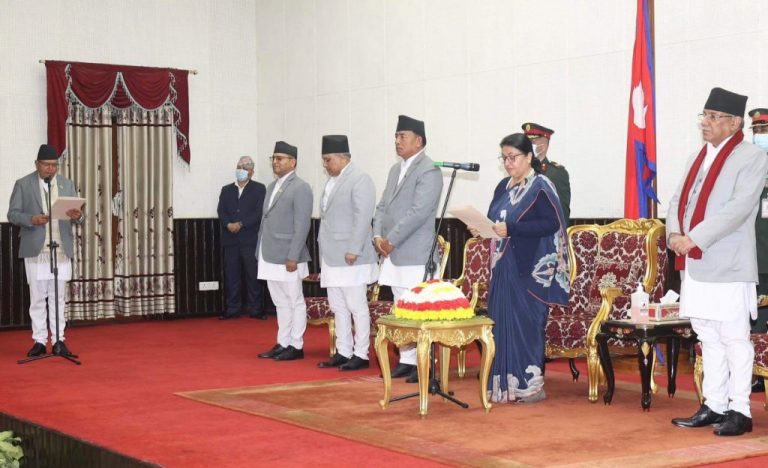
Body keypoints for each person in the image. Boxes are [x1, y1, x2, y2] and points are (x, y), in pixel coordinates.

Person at [668, 88, 767, 436]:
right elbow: (677, 200)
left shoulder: (752, 158)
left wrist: (693, 238)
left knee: (734, 337)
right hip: (694, 263)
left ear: (734, 122)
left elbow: (738, 210)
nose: (705, 123)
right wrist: (674, 236)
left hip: (728, 264)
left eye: (712, 116)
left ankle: (740, 410)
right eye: (704, 115)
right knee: (707, 335)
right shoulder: (698, 156)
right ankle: (714, 404)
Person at [468, 133, 569, 403]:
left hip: (531, 268)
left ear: (528, 157)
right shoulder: (503, 187)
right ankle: (504, 386)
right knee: (501, 325)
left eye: (513, 157)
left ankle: (530, 387)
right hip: (503, 266)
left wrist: (512, 229)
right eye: (504, 158)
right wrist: (482, 228)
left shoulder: (541, 186)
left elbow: (550, 224)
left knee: (526, 325)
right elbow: (494, 221)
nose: (508, 163)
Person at [373, 115, 443, 383]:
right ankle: (407, 360)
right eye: (396, 136)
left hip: (414, 251)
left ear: (419, 140)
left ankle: (425, 362)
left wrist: (392, 239)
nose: (397, 141)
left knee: (418, 308)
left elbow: (419, 212)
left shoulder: (429, 170)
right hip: (392, 251)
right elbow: (382, 207)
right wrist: (377, 236)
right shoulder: (395, 169)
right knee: (400, 306)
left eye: (402, 136)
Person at [7, 144, 84, 357]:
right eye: (46, 165)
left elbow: (79, 215)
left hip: (60, 248)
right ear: (37, 164)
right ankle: (40, 341)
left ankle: (59, 340)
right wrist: (31, 219)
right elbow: (12, 214)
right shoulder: (23, 184)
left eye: (54, 165)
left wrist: (79, 217)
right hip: (36, 249)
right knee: (38, 297)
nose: (51, 169)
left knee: (58, 297)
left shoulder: (67, 185)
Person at [316, 135, 378, 371]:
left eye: (328, 159)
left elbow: (363, 217)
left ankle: (361, 354)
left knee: (356, 305)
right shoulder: (332, 180)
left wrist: (354, 248)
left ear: (342, 158)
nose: (325, 164)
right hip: (332, 255)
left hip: (352, 255)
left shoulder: (360, 179)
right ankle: (343, 351)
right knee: (338, 306)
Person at [256, 141, 313, 361]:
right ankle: (283, 341)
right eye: (273, 158)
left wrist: (293, 256)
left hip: (289, 255)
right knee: (279, 301)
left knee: (294, 300)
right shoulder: (271, 186)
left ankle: (296, 345)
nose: (275, 162)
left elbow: (302, 225)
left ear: (293, 162)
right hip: (269, 252)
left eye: (280, 158)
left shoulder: (300, 187)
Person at [217, 156, 267, 320]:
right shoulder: (226, 190)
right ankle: (232, 309)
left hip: (250, 240)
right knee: (232, 276)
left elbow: (259, 212)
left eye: (245, 167)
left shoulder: (259, 189)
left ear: (252, 171)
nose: (241, 169)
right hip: (230, 240)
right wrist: (228, 224)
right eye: (239, 166)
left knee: (253, 276)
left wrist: (241, 224)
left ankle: (256, 309)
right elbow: (221, 211)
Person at [748, 107, 768, 393]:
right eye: (757, 131)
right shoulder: (748, 164)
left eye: (764, 131)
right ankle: (756, 373)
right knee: (756, 317)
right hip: (754, 254)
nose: (760, 136)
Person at [522, 122, 571, 221]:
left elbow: (562, 214)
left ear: (543, 146)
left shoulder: (556, 173)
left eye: (532, 142)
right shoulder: (520, 171)